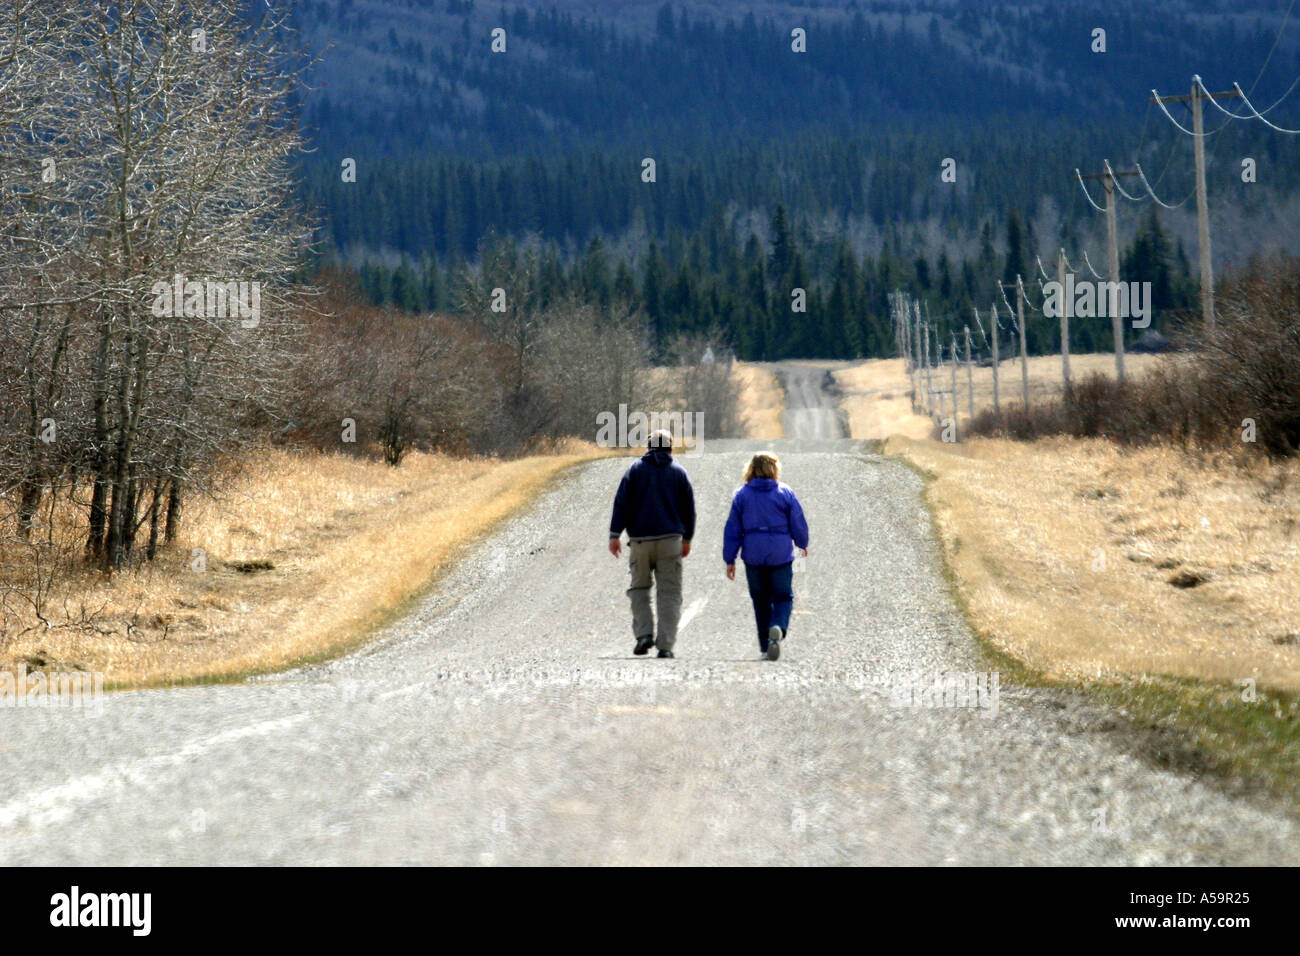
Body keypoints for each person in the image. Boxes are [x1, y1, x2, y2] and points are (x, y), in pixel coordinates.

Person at [608, 429, 696, 659]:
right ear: (669, 448)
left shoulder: (634, 471)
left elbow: (621, 504)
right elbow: (689, 510)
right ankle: (665, 646)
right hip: (670, 542)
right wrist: (687, 539)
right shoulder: (679, 473)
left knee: (639, 588)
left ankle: (644, 634)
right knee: (669, 592)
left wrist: (614, 534)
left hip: (639, 542)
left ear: (648, 447)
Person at [723, 452, 809, 661]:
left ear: (750, 469)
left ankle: (765, 647)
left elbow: (733, 529)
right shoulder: (785, 493)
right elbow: (797, 521)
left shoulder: (742, 495)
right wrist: (802, 544)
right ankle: (777, 627)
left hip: (753, 554)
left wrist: (730, 558)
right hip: (780, 553)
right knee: (783, 596)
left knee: (760, 600)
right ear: (774, 469)